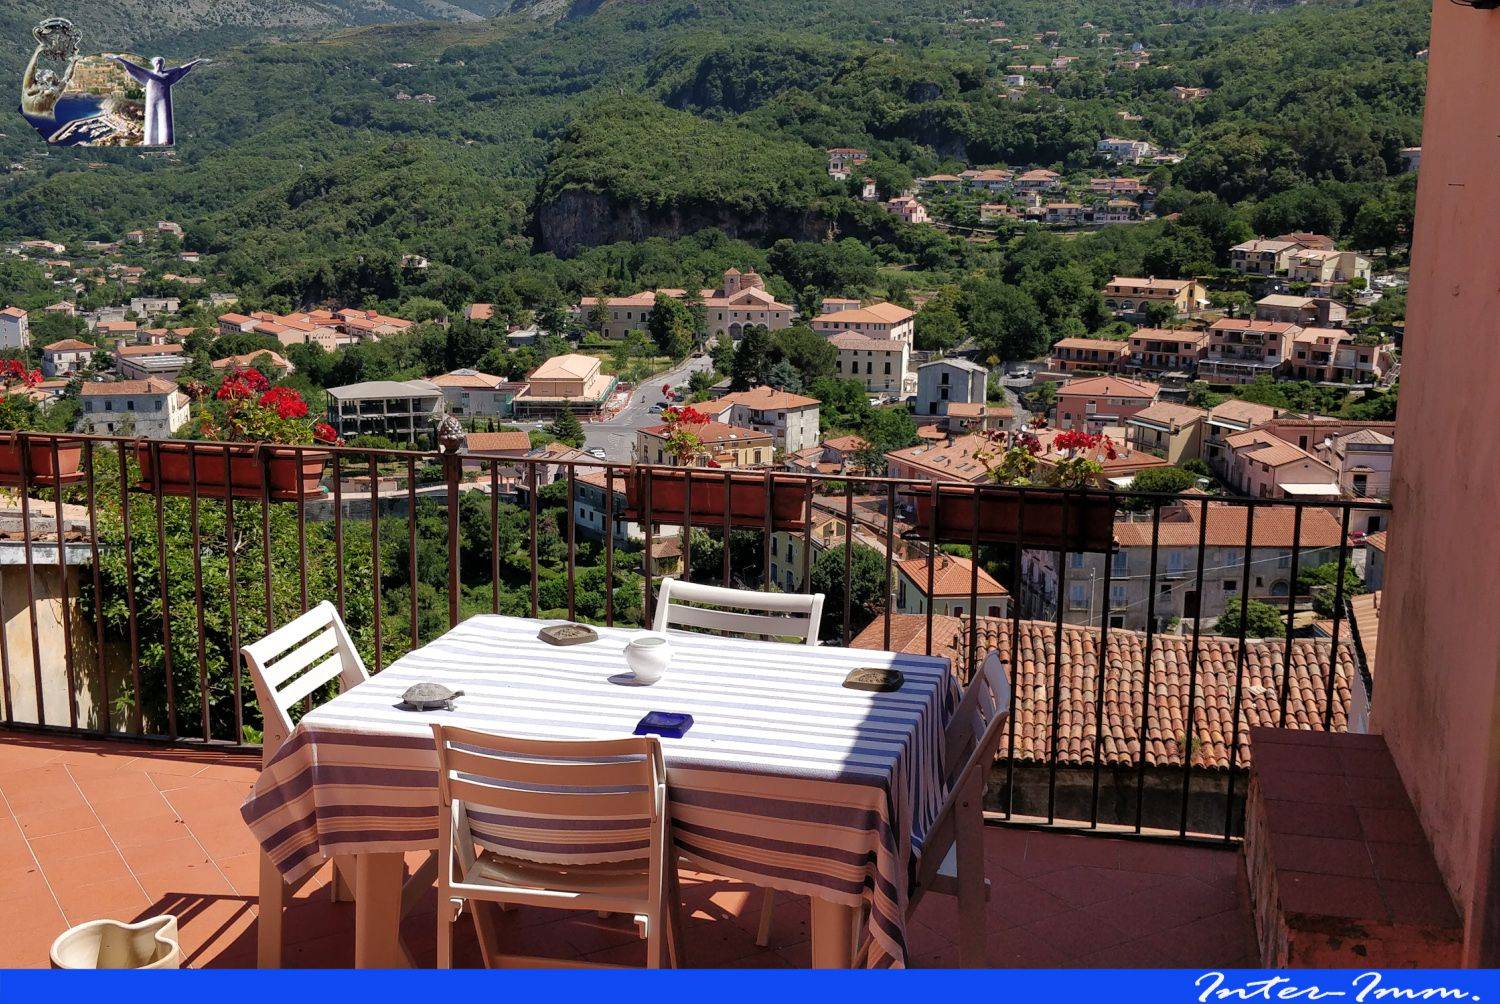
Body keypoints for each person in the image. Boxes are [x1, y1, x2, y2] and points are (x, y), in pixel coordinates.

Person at [109, 55, 201, 146]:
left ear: (163, 64)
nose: (159, 63)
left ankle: (166, 141)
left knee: (165, 119)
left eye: (160, 62)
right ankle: (150, 141)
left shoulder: (168, 74)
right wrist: (120, 59)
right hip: (151, 100)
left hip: (164, 99)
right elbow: (134, 67)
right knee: (151, 120)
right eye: (157, 61)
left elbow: (181, 69)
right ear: (154, 64)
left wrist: (196, 61)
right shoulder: (148, 74)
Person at [21, 17, 80, 117]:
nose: (50, 75)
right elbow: (30, 71)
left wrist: (74, 61)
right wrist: (36, 53)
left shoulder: (54, 91)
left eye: (51, 75)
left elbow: (67, 77)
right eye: (49, 74)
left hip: (46, 120)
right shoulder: (30, 87)